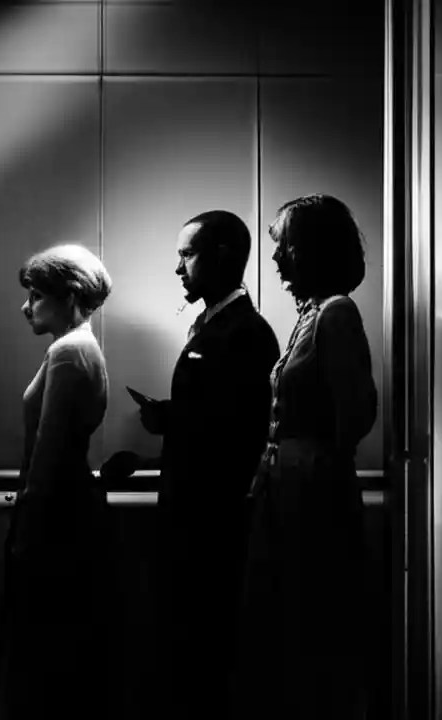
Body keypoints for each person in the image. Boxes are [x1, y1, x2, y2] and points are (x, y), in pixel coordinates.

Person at [235, 194, 378, 720]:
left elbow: (355, 414)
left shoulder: (336, 314)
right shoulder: (312, 313)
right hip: (288, 491)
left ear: (311, 249)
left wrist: (308, 465)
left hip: (311, 497)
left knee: (309, 625)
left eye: (284, 246)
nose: (274, 260)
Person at [134, 210, 279, 719]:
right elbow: (214, 410)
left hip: (211, 525)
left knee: (205, 652)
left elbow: (237, 431)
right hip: (194, 519)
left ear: (220, 256)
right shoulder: (216, 325)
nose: (178, 269)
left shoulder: (247, 334)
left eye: (186, 255)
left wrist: (172, 423)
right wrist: (166, 422)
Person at [0, 244, 116, 719]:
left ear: (70, 295)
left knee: (46, 648)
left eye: (37, 295)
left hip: (57, 515)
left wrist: (25, 528)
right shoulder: (83, 347)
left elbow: (48, 452)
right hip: (72, 505)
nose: (27, 306)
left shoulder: (67, 352)